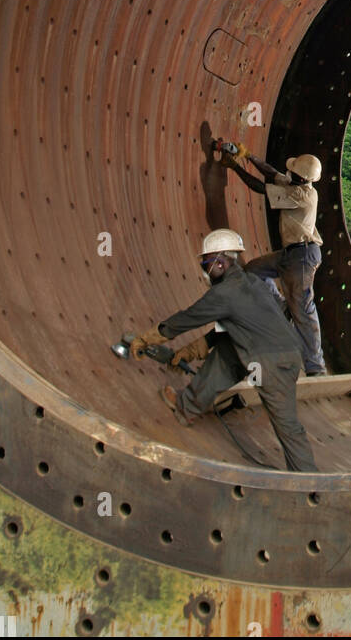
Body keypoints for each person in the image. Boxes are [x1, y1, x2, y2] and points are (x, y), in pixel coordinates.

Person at [130, 229, 317, 472]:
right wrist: (193, 350)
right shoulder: (252, 283)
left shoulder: (224, 293)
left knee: (288, 427)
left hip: (273, 362)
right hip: (273, 351)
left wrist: (145, 339)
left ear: (220, 261)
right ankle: (187, 407)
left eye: (206, 263)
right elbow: (234, 328)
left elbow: (186, 319)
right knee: (226, 357)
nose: (204, 268)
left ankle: (309, 484)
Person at [224, 147, 327, 377]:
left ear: (301, 177)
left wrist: (234, 167)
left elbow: (261, 187)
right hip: (291, 254)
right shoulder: (296, 184)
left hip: (302, 257)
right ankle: (281, 306)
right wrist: (248, 155)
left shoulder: (302, 196)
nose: (288, 174)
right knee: (252, 272)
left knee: (303, 311)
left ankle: (316, 367)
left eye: (293, 172)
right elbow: (273, 174)